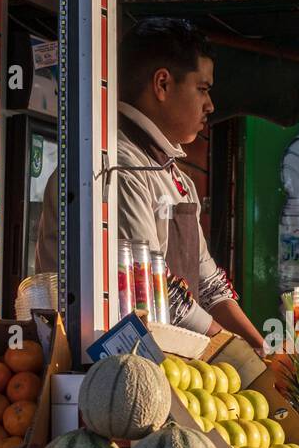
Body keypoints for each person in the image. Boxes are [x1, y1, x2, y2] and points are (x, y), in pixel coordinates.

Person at [110, 18, 265, 348]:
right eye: (203, 89)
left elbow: (209, 284)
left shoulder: (175, 177)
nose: (211, 105)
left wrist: (260, 349)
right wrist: (231, 349)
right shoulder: (123, 168)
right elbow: (151, 288)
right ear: (162, 85)